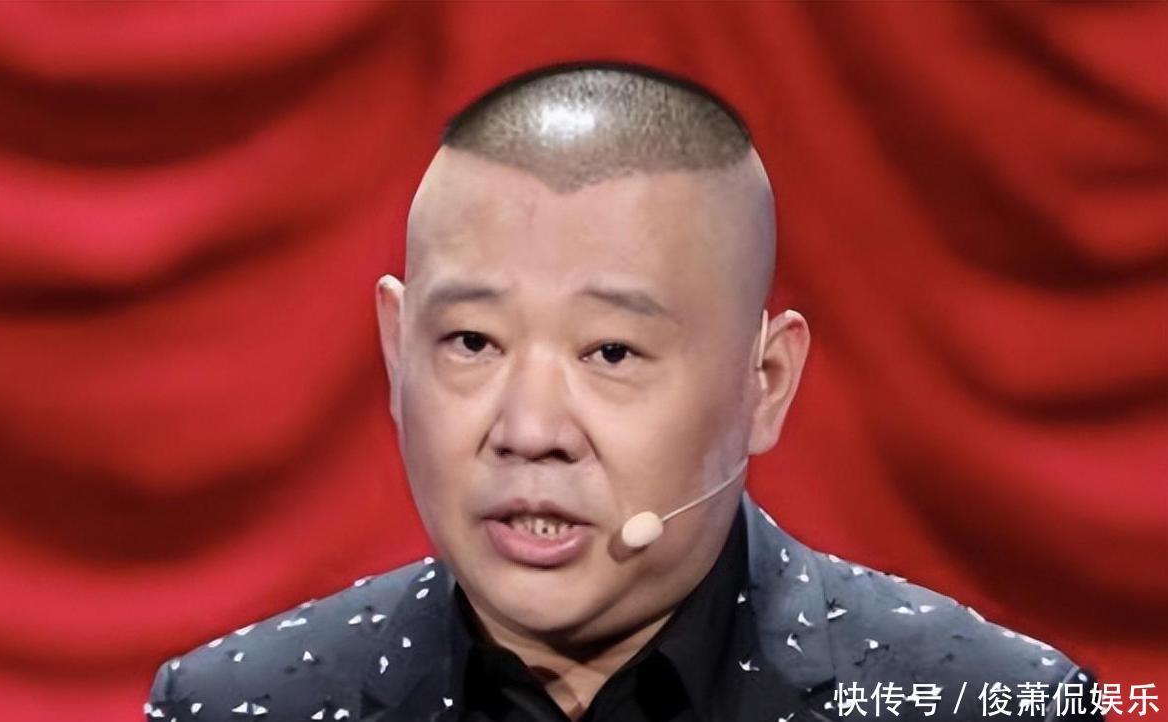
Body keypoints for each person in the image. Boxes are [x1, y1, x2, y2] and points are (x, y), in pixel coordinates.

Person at [144, 63, 1100, 722]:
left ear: (765, 383)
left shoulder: (988, 703)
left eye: (610, 352)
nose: (529, 430)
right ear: (398, 355)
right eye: (472, 342)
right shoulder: (242, 705)